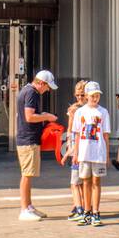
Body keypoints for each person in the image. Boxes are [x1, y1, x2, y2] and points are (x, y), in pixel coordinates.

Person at [16, 68, 58, 221]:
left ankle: (28, 206)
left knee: (28, 174)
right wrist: (46, 116)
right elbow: (29, 116)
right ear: (41, 83)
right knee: (27, 174)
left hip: (27, 138)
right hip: (28, 139)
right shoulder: (32, 93)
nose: (47, 90)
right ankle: (24, 208)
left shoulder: (26, 91)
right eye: (47, 86)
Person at [71, 80, 111, 228]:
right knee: (85, 182)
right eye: (92, 95)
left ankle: (96, 212)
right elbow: (76, 134)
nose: (95, 98)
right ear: (87, 96)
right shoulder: (80, 112)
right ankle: (86, 211)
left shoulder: (103, 112)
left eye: (97, 95)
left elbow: (106, 135)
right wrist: (75, 153)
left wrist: (107, 155)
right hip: (84, 152)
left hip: (98, 153)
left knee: (96, 182)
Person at [62, 79, 87, 221]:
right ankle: (78, 205)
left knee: (78, 180)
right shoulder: (73, 109)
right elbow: (70, 128)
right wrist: (68, 144)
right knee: (77, 178)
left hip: (85, 147)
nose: (79, 98)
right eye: (77, 95)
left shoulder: (90, 109)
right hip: (75, 145)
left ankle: (80, 207)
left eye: (82, 95)